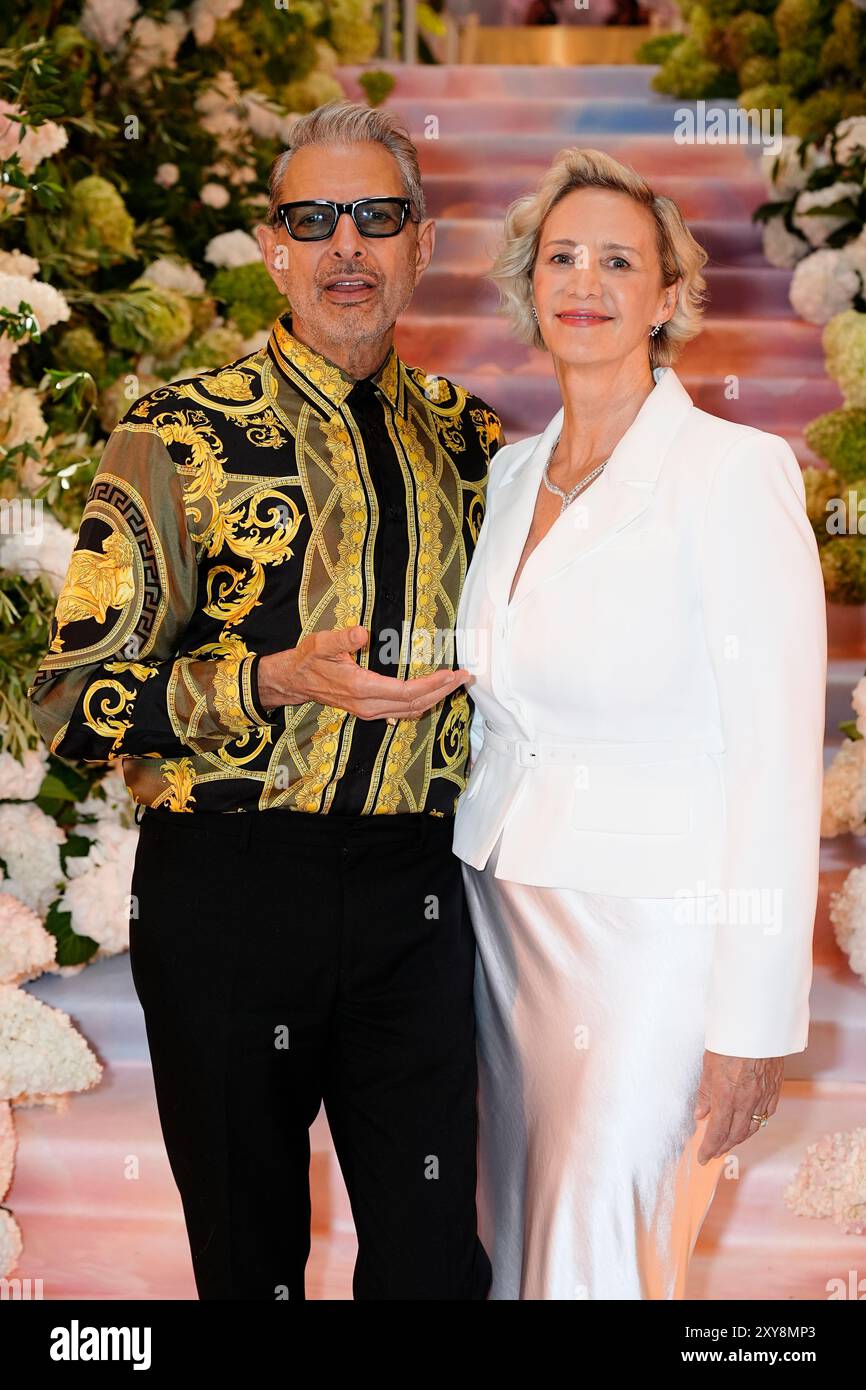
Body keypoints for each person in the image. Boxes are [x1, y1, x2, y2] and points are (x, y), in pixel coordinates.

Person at [28, 100, 506, 1301]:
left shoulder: (476, 444)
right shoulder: (174, 432)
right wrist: (269, 678)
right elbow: (70, 701)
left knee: (432, 1259)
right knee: (250, 1265)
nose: (346, 244)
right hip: (229, 891)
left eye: (376, 217)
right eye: (313, 219)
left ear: (421, 244)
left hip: (416, 893)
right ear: (275, 247)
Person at [452, 146, 827, 1299]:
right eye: (560, 255)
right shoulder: (507, 476)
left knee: (600, 1246)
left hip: (653, 937)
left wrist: (752, 1015)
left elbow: (774, 759)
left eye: (618, 260)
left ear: (666, 299)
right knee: (516, 1232)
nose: (584, 280)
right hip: (497, 911)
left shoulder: (732, 473)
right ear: (527, 286)